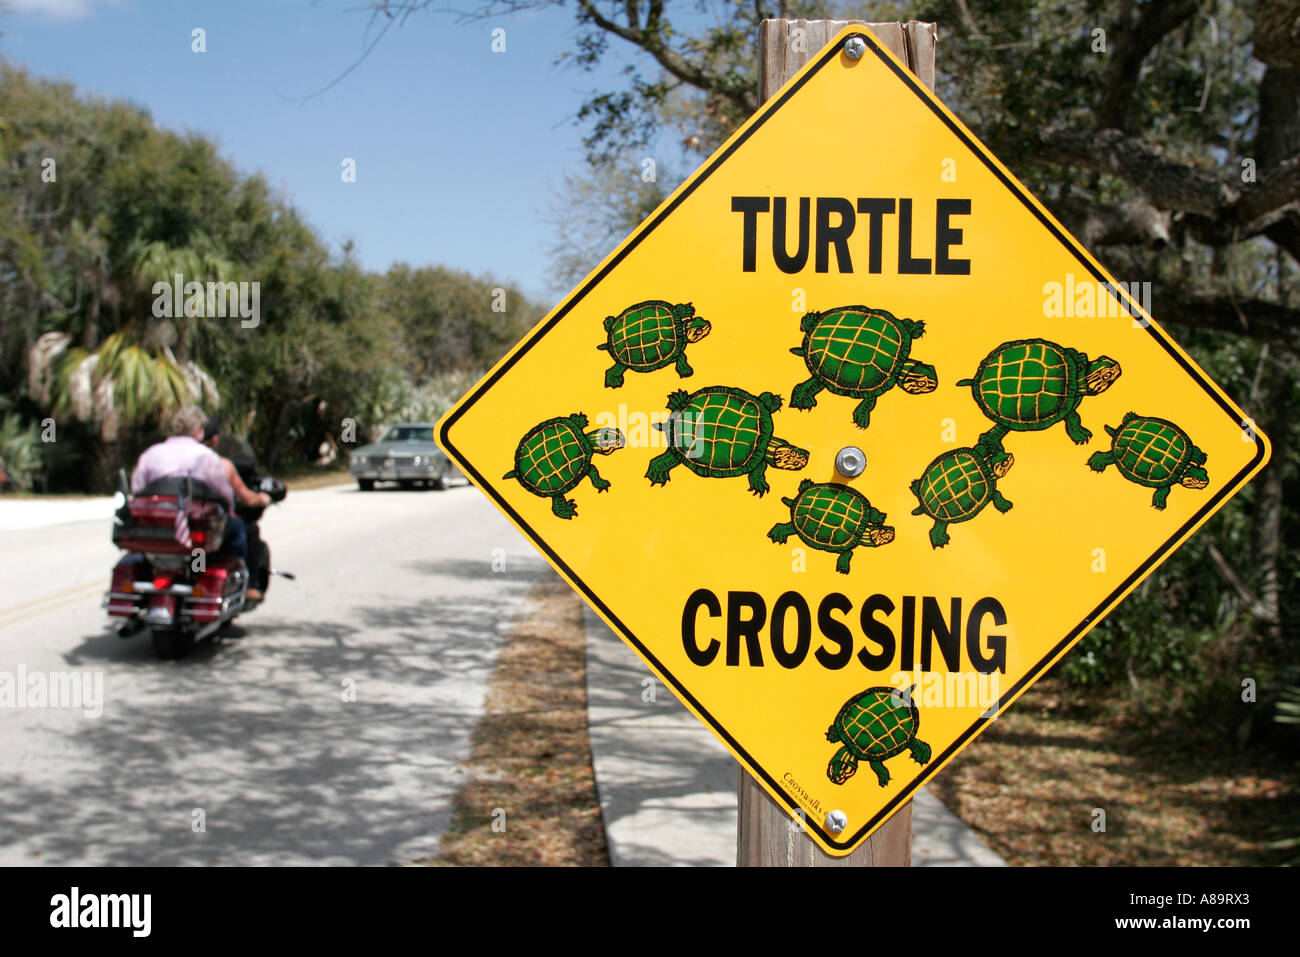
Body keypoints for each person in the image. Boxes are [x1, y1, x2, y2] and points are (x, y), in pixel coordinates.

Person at [131, 405, 249, 566]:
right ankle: (206, 569)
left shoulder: (151, 453)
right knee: (237, 528)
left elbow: (137, 489)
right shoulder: (206, 456)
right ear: (199, 430)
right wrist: (230, 512)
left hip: (156, 529)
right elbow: (224, 493)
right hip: (194, 534)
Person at [201, 415, 271, 600]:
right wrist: (262, 498)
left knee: (196, 549)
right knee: (244, 529)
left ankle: (197, 571)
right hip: (208, 523)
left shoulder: (170, 458)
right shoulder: (221, 465)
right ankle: (246, 585)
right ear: (215, 439)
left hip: (174, 525)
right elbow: (247, 499)